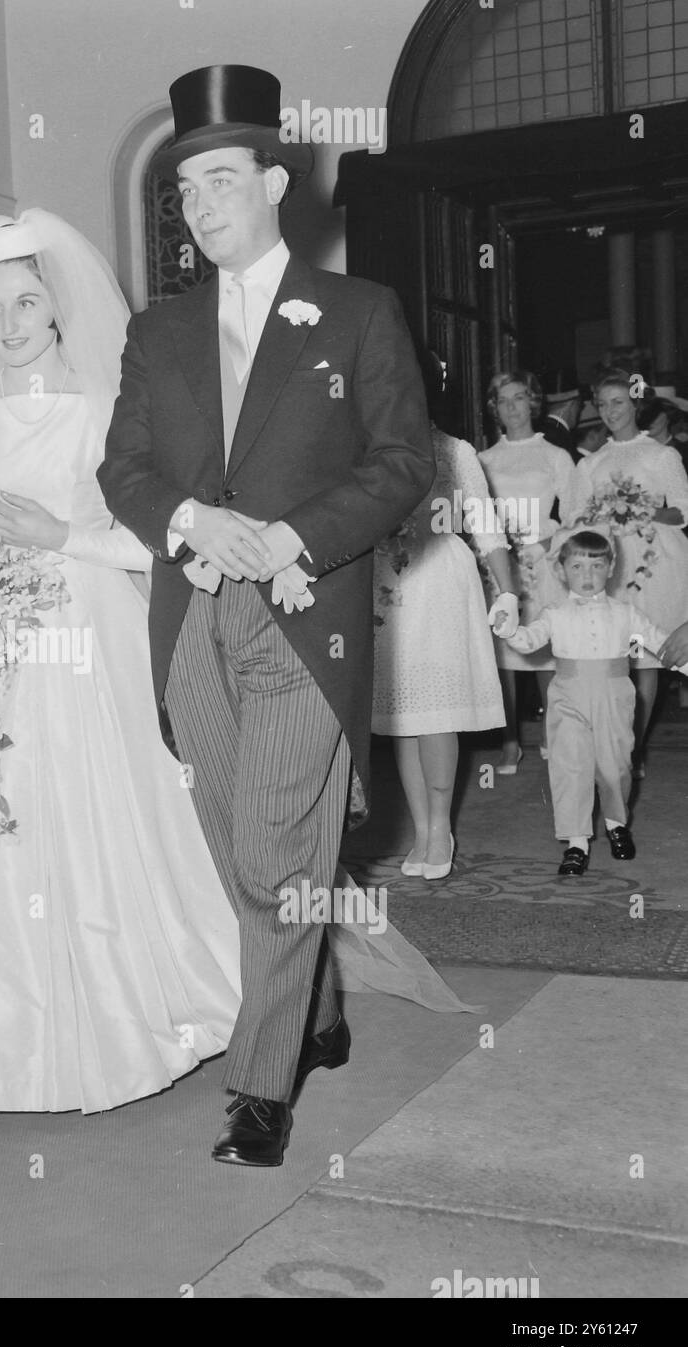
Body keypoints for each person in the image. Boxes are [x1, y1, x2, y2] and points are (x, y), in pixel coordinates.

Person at [0, 210, 464, 1117]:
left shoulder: (104, 411)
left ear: (57, 307)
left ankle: (240, 1008)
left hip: (98, 640)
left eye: (25, 301)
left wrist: (61, 539)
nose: (10, 324)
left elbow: (163, 543)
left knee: (175, 830)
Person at [98, 65, 436, 1168]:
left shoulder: (359, 312)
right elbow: (125, 471)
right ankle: (320, 1009)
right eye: (185, 189)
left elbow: (402, 466)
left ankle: (261, 1086)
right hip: (191, 620)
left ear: (275, 181)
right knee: (241, 856)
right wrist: (196, 520)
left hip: (308, 619)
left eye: (221, 180)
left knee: (271, 853)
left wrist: (292, 535)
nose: (200, 207)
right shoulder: (158, 331)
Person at [373, 359, 514, 881]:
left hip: (442, 585)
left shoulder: (457, 453)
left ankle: (441, 827)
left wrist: (509, 593)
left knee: (436, 710)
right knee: (403, 717)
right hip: (389, 584)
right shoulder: (372, 456)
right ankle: (422, 828)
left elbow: (487, 528)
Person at [505, 528, 686, 875]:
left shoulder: (625, 612)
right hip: (568, 695)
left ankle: (616, 822)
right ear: (561, 570)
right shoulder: (554, 612)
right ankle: (576, 842)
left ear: (612, 566)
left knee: (615, 765)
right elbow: (529, 641)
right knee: (570, 765)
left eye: (596, 567)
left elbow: (662, 645)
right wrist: (510, 630)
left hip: (614, 695)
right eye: (577, 567)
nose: (587, 576)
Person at [563, 369, 688, 775]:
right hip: (612, 565)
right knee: (620, 658)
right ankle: (617, 740)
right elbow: (573, 517)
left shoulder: (661, 455)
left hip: (654, 564)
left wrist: (643, 510)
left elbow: (683, 510)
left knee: (648, 658)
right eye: (602, 403)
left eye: (618, 402)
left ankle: (631, 750)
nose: (610, 410)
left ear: (635, 403)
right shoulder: (591, 463)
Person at [478, 370, 575, 771]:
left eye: (519, 398)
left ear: (533, 402)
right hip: (500, 562)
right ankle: (510, 741)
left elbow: (575, 516)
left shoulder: (555, 456)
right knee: (501, 652)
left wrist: (537, 547)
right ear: (495, 409)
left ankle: (552, 734)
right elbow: (478, 516)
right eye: (504, 400)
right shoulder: (483, 460)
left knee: (544, 648)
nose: (512, 407)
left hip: (543, 558)